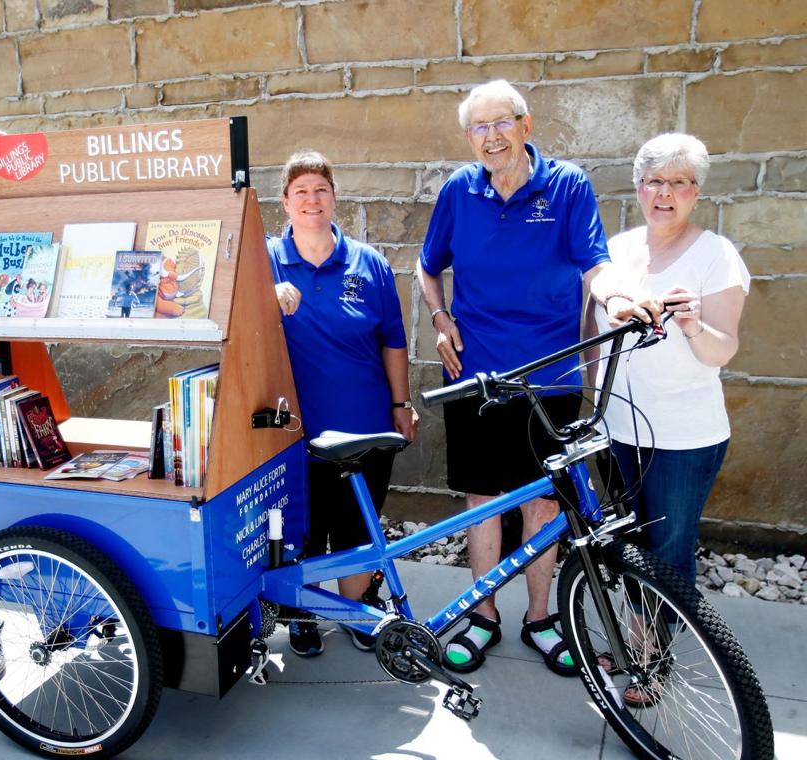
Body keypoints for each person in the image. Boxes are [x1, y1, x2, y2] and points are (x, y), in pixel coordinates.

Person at [417, 80, 610, 676]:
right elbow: (427, 270)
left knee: (543, 505)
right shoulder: (458, 191)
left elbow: (596, 264)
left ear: (526, 127)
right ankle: (484, 616)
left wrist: (622, 300)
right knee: (482, 501)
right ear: (469, 137)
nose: (492, 136)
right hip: (476, 380)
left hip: (549, 381)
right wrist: (441, 318)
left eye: (503, 123)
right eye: (479, 127)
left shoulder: (568, 185)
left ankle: (540, 618)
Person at [269, 151, 419, 657]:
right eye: (301, 192)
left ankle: (356, 613)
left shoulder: (367, 262)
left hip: (366, 424)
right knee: (302, 528)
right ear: (285, 202)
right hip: (295, 429)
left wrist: (401, 403)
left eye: (321, 190)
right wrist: (266, 298)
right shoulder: (264, 259)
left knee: (358, 526)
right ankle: (304, 614)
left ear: (334, 197)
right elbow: (232, 321)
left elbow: (393, 340)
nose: (312, 200)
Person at [589, 133, 748, 586]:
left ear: (695, 192)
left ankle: (654, 654)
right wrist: (595, 394)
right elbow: (592, 332)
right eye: (653, 180)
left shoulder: (715, 255)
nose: (664, 194)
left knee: (668, 551)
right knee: (628, 545)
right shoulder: (615, 251)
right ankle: (634, 647)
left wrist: (694, 324)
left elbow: (724, 347)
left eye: (679, 182)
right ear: (638, 186)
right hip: (615, 426)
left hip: (682, 438)